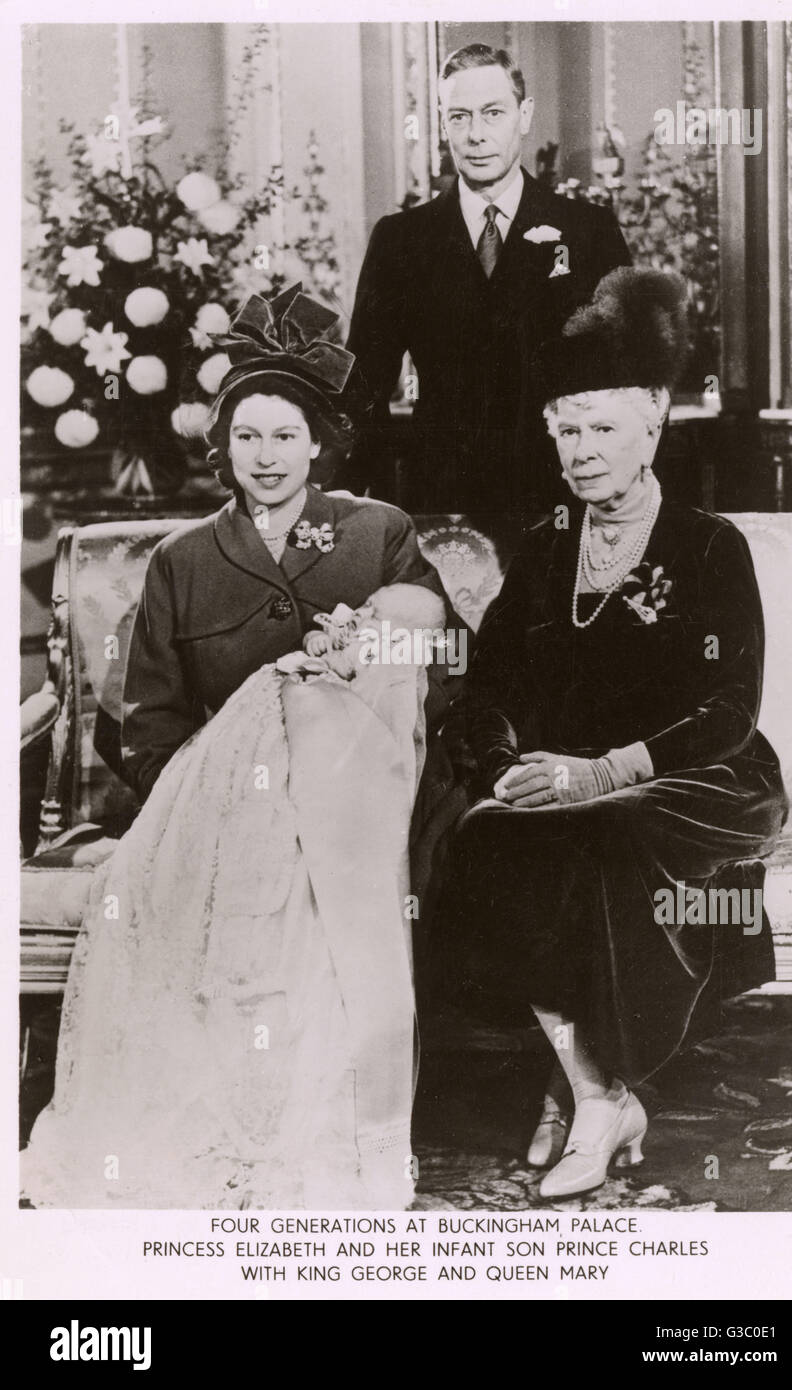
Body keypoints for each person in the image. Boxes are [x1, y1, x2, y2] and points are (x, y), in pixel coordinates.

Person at [19, 284, 460, 1210]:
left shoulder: (376, 533)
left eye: (285, 436)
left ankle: (346, 1137)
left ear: (319, 445)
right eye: (248, 437)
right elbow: (143, 720)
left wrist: (359, 650)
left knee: (323, 851)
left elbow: (441, 666)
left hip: (358, 804)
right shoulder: (182, 560)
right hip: (213, 800)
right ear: (223, 449)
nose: (267, 457)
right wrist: (217, 798)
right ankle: (244, 1134)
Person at [433, 267, 788, 1199]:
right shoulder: (547, 547)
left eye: (603, 429)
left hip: (698, 778)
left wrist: (601, 773)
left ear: (651, 429)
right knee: (488, 835)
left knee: (607, 832)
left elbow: (728, 710)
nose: (582, 451)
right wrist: (507, 766)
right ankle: (599, 1091)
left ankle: (590, 1097)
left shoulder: (710, 545)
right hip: (563, 779)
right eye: (567, 430)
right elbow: (486, 687)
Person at [343, 42, 631, 514]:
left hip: (561, 499)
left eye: (492, 113)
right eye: (459, 117)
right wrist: (351, 506)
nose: (476, 135)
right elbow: (364, 386)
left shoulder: (588, 232)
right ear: (442, 123)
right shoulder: (401, 240)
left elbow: (622, 380)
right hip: (441, 497)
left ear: (525, 114)